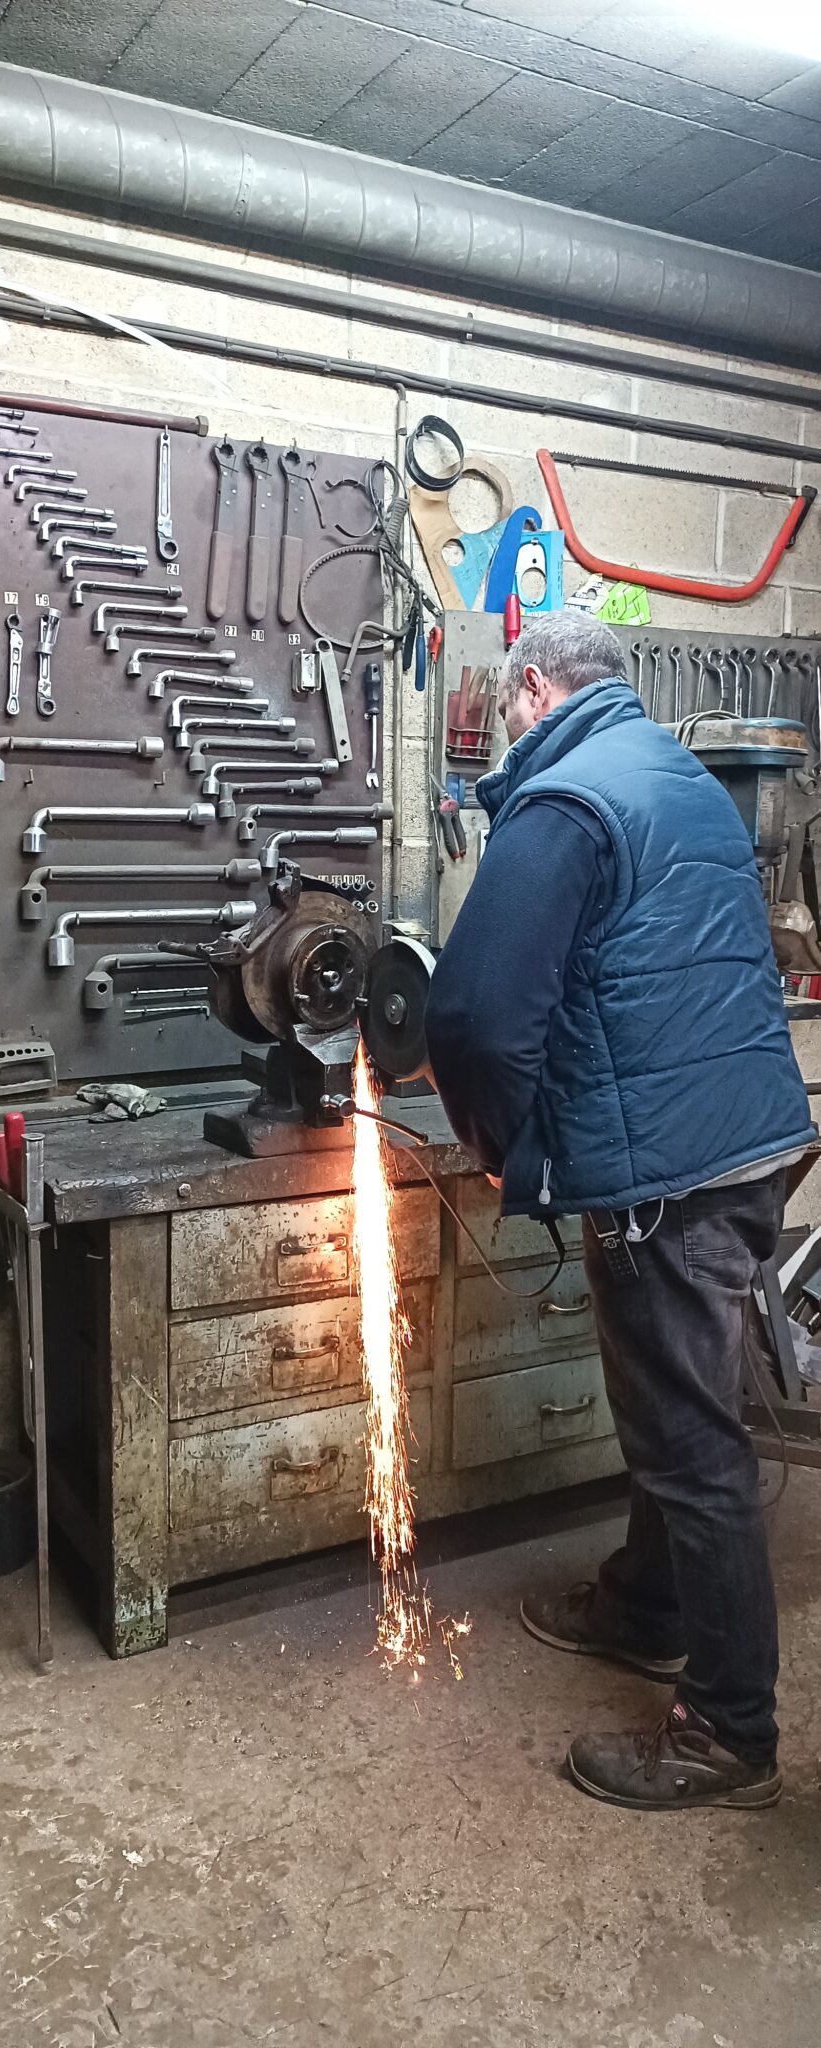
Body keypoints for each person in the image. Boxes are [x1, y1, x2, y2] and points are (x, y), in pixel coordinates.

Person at [424, 610, 815, 1812]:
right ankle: (643, 1605)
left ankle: (728, 1729)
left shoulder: (562, 801)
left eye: (505, 706)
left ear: (535, 686)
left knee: (692, 1439)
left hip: (670, 1173)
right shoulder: (681, 778)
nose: (503, 728)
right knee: (670, 1400)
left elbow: (474, 1019)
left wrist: (504, 1148)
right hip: (756, 1138)